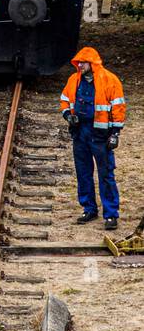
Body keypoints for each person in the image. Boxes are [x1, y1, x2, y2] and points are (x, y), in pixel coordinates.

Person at [60, 47, 125, 230]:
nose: (79, 65)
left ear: (92, 63)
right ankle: (89, 209)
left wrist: (115, 134)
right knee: (83, 173)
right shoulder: (74, 80)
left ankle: (111, 214)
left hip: (101, 136)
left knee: (106, 174)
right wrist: (68, 115)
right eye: (78, 62)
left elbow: (118, 108)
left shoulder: (109, 80)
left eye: (83, 62)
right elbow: (65, 99)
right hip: (80, 133)